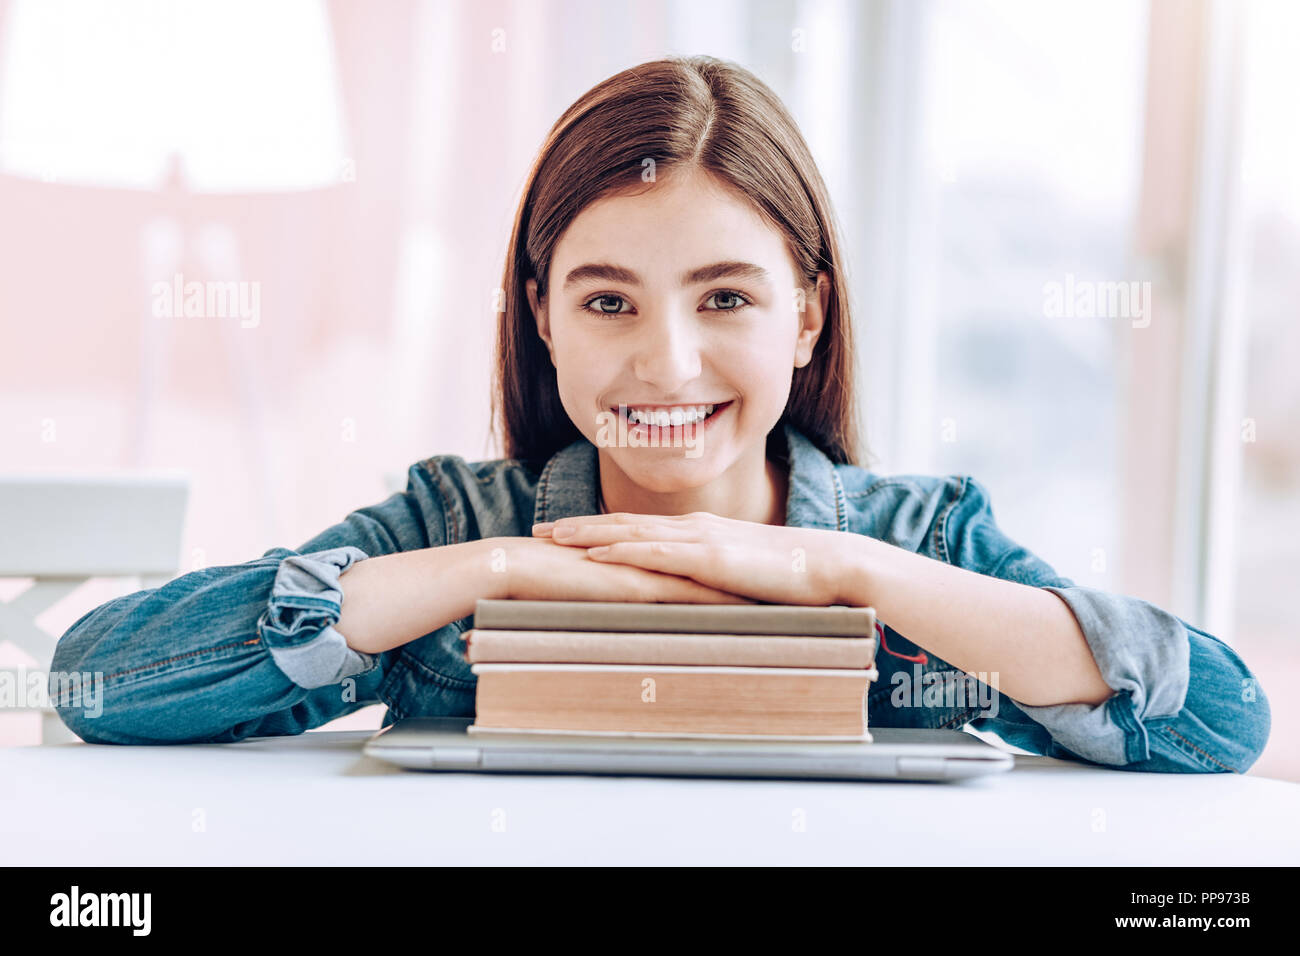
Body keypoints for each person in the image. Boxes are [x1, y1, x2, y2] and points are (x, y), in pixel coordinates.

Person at [51, 55, 1270, 773]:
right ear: (541, 315)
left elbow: (1217, 720)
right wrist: (503, 565)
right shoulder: (453, 518)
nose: (665, 363)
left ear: (806, 315)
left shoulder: (922, 539)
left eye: (725, 296)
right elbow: (100, 682)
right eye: (608, 300)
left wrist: (827, 565)